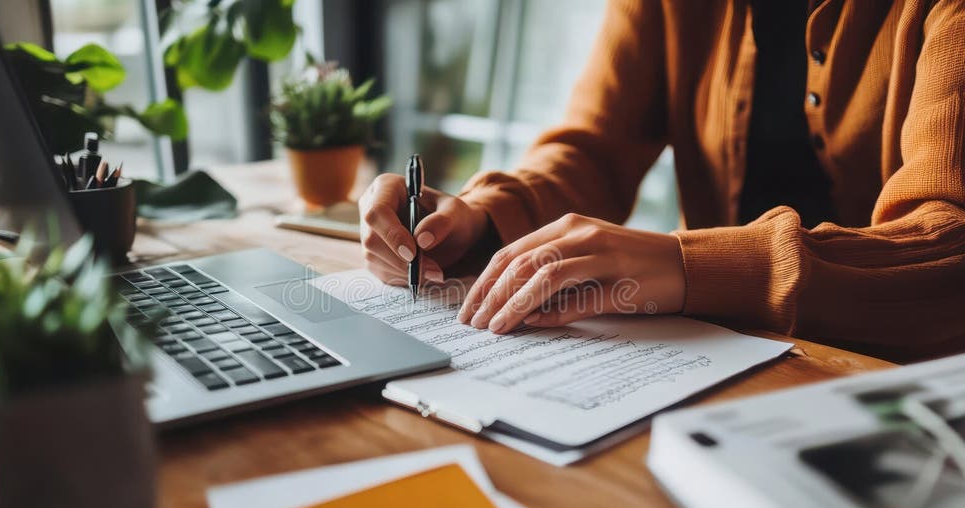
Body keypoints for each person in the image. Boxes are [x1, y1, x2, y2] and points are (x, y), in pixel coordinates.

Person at [359, 0, 965, 362]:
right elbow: (595, 148)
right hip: (718, 352)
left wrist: (687, 264)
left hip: (899, 377)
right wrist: (482, 217)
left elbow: (951, 244)